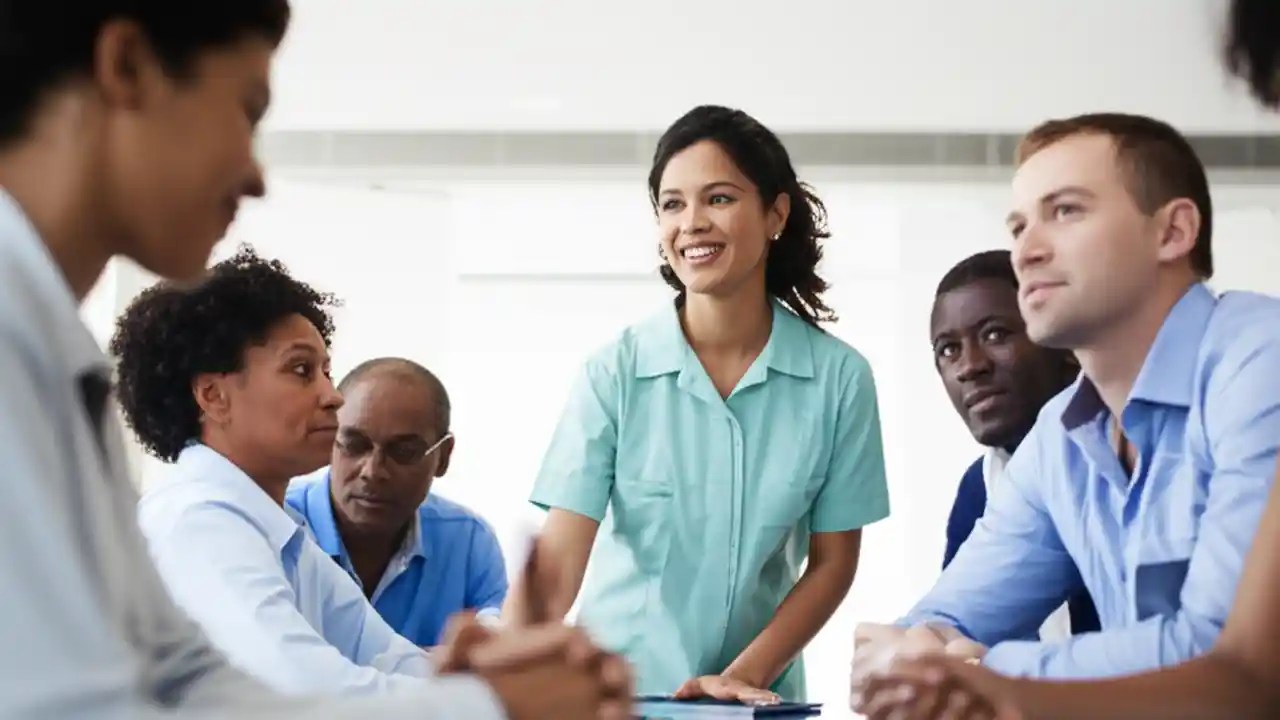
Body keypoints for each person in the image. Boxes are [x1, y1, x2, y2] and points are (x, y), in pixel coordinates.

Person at [0, 2, 627, 717]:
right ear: (129, 68)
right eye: (245, 109)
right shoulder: (187, 507)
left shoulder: (55, 360)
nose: (255, 172)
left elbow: (192, 683)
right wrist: (491, 704)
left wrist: (484, 687)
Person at [855, 2, 1280, 718]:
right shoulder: (1059, 437)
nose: (1026, 248)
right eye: (1018, 224)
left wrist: (994, 669)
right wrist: (915, 655)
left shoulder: (1257, 360)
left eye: (1066, 211)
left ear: (1172, 231)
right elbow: (923, 632)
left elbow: (1222, 656)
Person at [505, 104, 891, 704]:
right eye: (673, 204)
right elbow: (558, 558)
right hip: (616, 698)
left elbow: (832, 565)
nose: (692, 223)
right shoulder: (615, 371)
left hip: (757, 697)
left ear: (775, 215)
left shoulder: (839, 378)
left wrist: (742, 678)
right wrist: (506, 676)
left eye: (719, 199)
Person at [931, 250, 1098, 641]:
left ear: (1066, 347)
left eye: (995, 334)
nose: (969, 366)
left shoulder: (1121, 461)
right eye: (948, 349)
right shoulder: (979, 488)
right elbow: (957, 635)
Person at [288, 357, 508, 647]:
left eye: (403, 451)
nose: (373, 471)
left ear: (443, 457)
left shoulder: (468, 542)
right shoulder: (281, 528)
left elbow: (495, 660)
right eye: (354, 444)